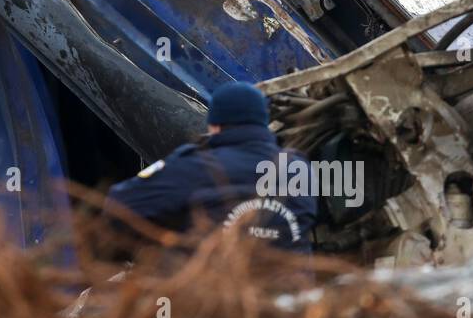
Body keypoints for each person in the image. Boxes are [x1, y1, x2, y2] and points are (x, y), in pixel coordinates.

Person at [106, 82, 316, 252]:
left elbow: (120, 205)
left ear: (215, 124)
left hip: (216, 297)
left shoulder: (196, 165)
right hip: (293, 297)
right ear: (262, 122)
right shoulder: (298, 167)